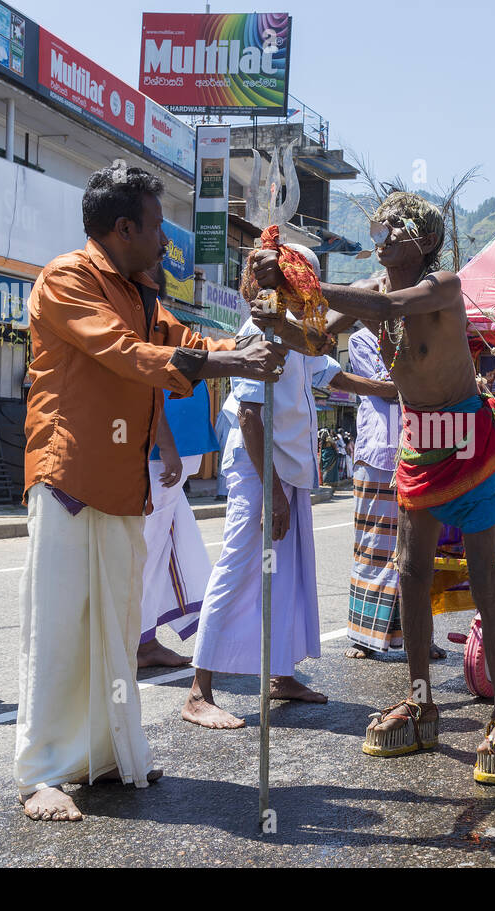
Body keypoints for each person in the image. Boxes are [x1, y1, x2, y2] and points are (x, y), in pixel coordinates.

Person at [13, 165, 285, 822]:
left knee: (112, 628)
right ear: (124, 228)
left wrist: (254, 338)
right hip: (69, 477)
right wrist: (234, 362)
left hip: (124, 487)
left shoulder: (140, 293)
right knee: (59, 629)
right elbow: (129, 355)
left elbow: (184, 344)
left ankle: (103, 755)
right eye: (158, 227)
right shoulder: (67, 279)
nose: (166, 241)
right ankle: (41, 773)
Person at [251, 190, 495, 783]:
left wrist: (303, 282)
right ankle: (423, 699)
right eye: (380, 225)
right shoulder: (371, 293)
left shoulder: (441, 284)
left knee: (483, 581)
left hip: (469, 446)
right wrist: (274, 310)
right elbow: (319, 340)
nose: (383, 234)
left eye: (396, 227)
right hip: (419, 445)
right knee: (410, 573)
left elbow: (397, 303)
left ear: (424, 242)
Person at [182, 246, 397, 729]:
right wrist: (273, 491)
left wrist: (384, 389)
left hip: (290, 467)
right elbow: (250, 414)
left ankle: (280, 675)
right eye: (310, 280)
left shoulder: (299, 329)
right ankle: (199, 692)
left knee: (285, 572)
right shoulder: (263, 326)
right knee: (240, 567)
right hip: (262, 470)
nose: (315, 289)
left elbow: (329, 372)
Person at [343, 316, 446, 660]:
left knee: (416, 549)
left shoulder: (418, 333)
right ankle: (363, 638)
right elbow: (386, 389)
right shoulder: (360, 340)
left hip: (417, 453)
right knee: (371, 548)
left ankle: (421, 637)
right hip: (376, 455)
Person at [137, 341, 220, 670]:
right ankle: (134, 642)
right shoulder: (146, 311)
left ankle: (144, 641)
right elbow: (146, 378)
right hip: (162, 451)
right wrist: (166, 444)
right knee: (148, 550)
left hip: (176, 447)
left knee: (162, 549)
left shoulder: (158, 311)